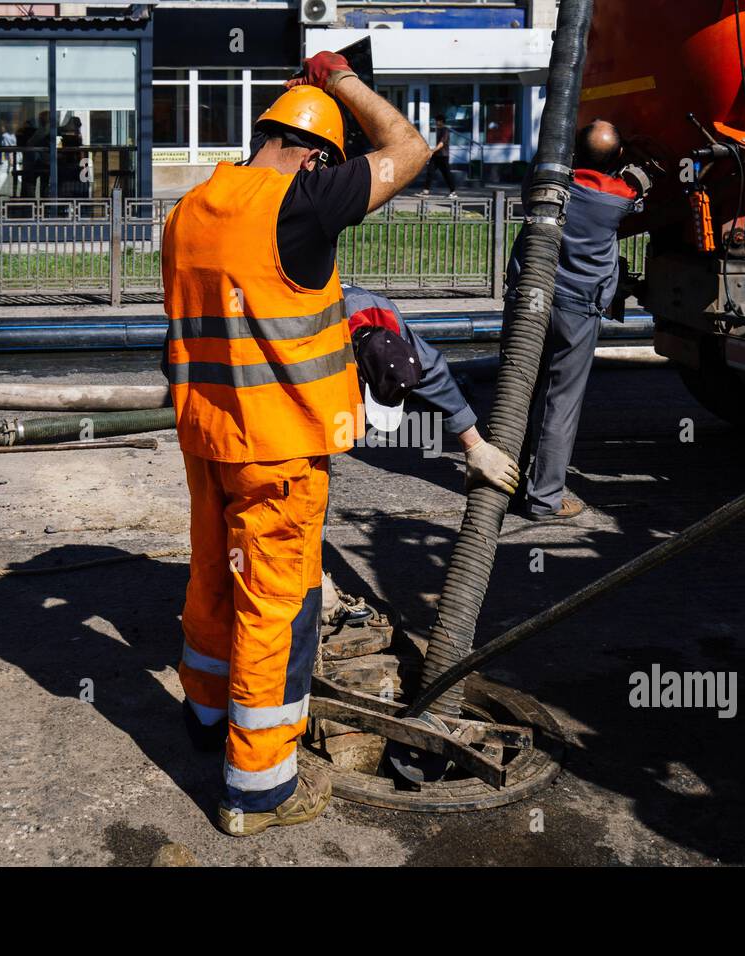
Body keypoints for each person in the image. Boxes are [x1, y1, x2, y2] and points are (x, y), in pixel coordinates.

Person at [161, 51, 431, 837]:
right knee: (277, 608)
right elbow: (412, 150)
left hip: (208, 437)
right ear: (317, 156)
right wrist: (341, 77)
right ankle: (260, 787)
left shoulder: (193, 207)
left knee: (214, 582)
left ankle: (205, 719)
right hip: (277, 451)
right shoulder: (302, 200)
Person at [319, 285, 520, 627]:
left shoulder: (388, 325)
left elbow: (433, 373)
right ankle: (307, 583)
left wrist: (475, 446)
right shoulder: (322, 333)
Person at [503, 120, 638, 521]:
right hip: (577, 311)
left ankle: (502, 488)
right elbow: (641, 192)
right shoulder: (619, 198)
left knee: (516, 394)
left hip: (529, 297)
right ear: (617, 158)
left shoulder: (547, 184)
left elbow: (535, 177)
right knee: (560, 403)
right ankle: (544, 499)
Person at [422, 118, 456, 197]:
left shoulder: (445, 130)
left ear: (442, 122)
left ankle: (453, 192)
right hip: (436, 155)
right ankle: (426, 191)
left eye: (438, 121)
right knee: (430, 172)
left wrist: (432, 151)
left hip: (443, 156)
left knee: (446, 174)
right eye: (436, 121)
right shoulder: (436, 130)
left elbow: (441, 143)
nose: (436, 122)